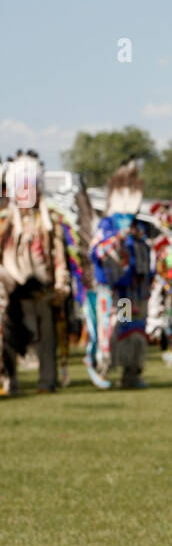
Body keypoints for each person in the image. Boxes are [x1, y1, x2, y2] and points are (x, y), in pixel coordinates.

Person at [0, 152, 70, 395]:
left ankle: (46, 382)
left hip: (44, 290)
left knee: (46, 339)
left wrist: (62, 283)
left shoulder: (49, 223)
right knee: (8, 338)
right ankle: (9, 382)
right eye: (22, 189)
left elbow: (59, 257)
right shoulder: (4, 222)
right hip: (12, 290)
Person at [90, 163, 155, 389]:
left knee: (130, 329)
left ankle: (130, 373)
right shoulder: (107, 224)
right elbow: (97, 251)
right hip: (111, 290)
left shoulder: (139, 228)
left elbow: (146, 259)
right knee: (107, 330)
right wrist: (117, 238)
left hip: (129, 295)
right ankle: (103, 369)